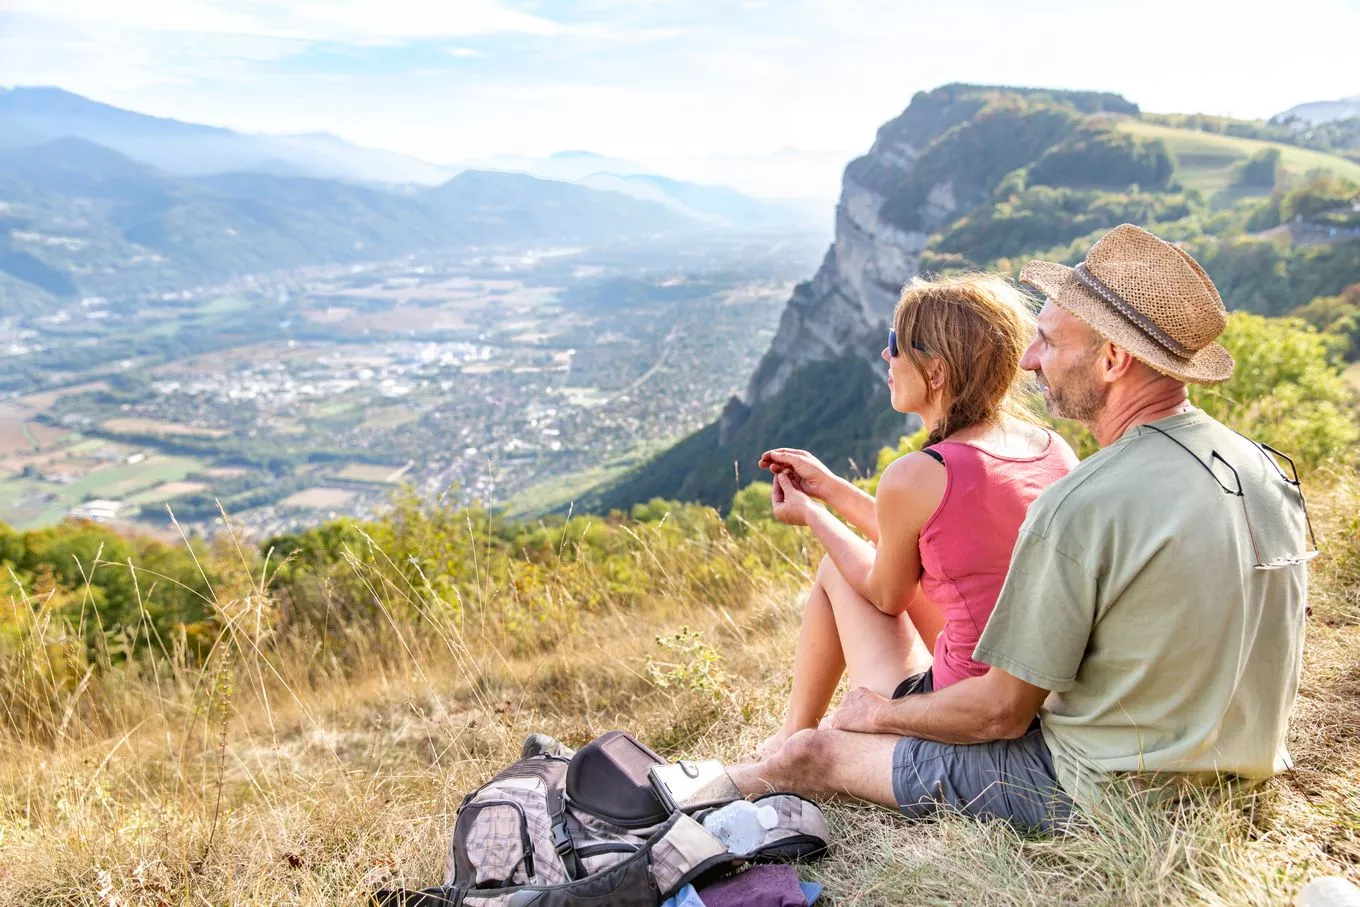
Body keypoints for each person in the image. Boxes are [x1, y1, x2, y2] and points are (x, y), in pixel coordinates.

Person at [730, 224, 1312, 831]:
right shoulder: (1264, 467)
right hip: (1239, 776)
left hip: (1109, 796)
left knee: (812, 753)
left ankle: (689, 802)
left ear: (1112, 359)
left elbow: (999, 716)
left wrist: (874, 715)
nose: (1031, 360)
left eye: (1051, 342)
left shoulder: (1082, 503)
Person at [755, 273, 1077, 758]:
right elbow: (934, 538)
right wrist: (832, 490)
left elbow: (887, 594)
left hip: (964, 705)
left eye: (896, 344)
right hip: (1035, 685)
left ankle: (792, 742)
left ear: (937, 371)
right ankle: (792, 737)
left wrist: (813, 516)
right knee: (879, 559)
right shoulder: (1051, 449)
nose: (887, 356)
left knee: (836, 571)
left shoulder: (919, 474)